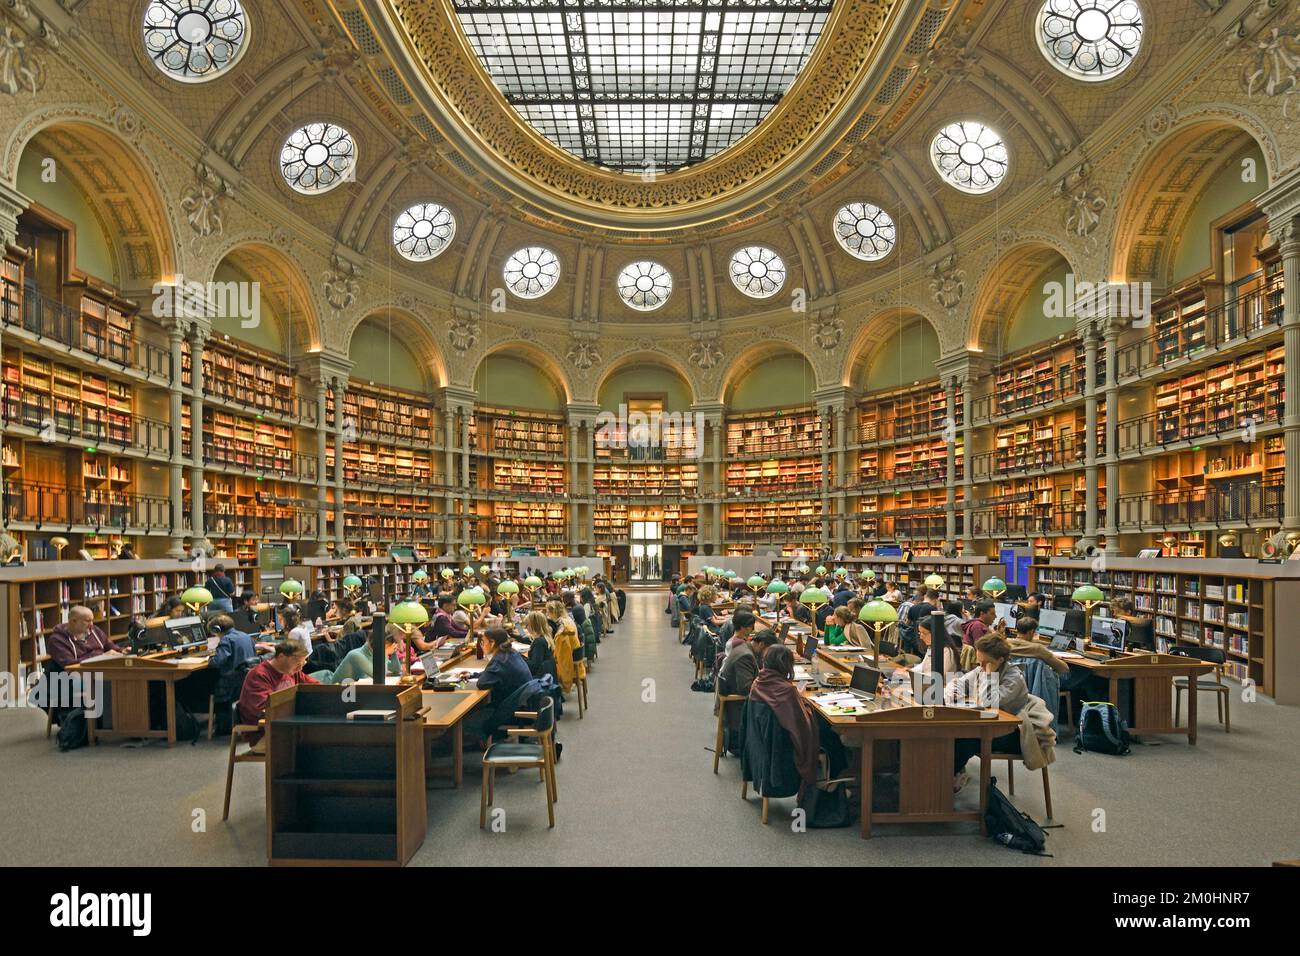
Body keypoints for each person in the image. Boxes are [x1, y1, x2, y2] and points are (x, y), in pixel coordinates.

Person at [747, 645, 846, 786]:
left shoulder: (759, 681)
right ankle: (836, 780)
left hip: (764, 740)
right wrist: (805, 703)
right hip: (783, 744)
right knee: (831, 733)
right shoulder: (787, 690)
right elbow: (802, 723)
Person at [947, 633, 1029, 790]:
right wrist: (953, 691)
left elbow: (988, 701)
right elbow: (957, 682)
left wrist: (989, 675)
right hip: (990, 725)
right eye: (979, 661)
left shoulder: (1014, 678)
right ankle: (947, 776)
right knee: (950, 734)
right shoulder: (983, 668)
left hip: (1013, 733)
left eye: (986, 663)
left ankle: (945, 781)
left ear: (1000, 660)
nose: (981, 666)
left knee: (965, 741)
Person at [237, 640, 320, 752]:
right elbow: (265, 711)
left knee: (323, 735)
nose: (300, 668)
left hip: (288, 727)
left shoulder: (292, 672)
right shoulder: (259, 675)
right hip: (264, 734)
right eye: (297, 664)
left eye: (302, 664)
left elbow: (317, 687)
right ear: (281, 656)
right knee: (313, 741)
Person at [464, 627, 533, 742]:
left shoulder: (499, 660)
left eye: (483, 642)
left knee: (466, 723)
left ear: (492, 643)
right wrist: (473, 675)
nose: (482, 645)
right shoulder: (511, 653)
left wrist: (482, 672)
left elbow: (482, 683)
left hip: (513, 712)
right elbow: (494, 673)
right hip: (523, 705)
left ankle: (477, 744)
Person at [312, 624, 404, 684]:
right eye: (387, 646)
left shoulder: (374, 653)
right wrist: (385, 653)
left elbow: (396, 669)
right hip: (338, 693)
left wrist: (393, 652)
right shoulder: (356, 655)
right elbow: (380, 676)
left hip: (353, 691)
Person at [47, 605, 125, 667]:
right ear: (73, 621)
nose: (91, 624)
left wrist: (122, 651)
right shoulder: (57, 640)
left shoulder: (94, 630)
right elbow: (69, 664)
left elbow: (109, 646)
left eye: (92, 620)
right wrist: (100, 656)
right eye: (87, 621)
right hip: (72, 678)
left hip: (98, 669)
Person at [717, 623, 778, 697]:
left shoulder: (747, 647)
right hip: (737, 702)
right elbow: (745, 689)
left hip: (736, 692)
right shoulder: (746, 656)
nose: (769, 654)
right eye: (769, 650)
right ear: (761, 644)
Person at [519, 610, 557, 681]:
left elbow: (534, 667)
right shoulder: (545, 637)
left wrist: (519, 657)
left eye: (527, 625)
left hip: (539, 679)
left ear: (534, 625)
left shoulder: (539, 642)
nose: (526, 627)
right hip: (546, 677)